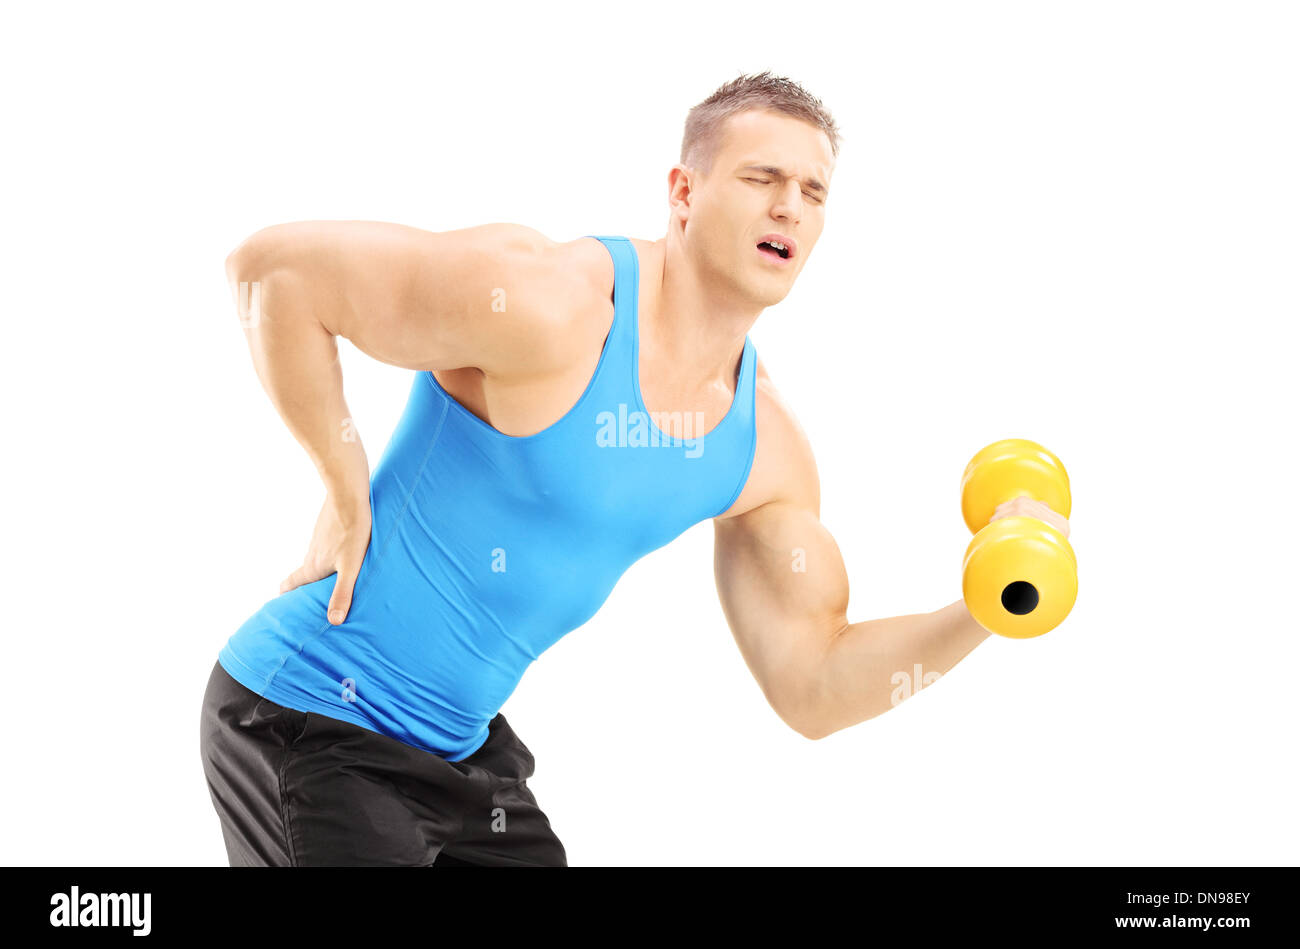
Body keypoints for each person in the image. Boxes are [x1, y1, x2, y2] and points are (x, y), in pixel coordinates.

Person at [199, 71, 1071, 866]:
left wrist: (986, 604)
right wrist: (342, 484)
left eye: (813, 192)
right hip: (308, 713)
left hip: (458, 754)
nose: (790, 209)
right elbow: (273, 274)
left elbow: (812, 683)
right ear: (683, 194)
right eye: (761, 179)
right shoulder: (550, 305)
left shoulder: (762, 448)